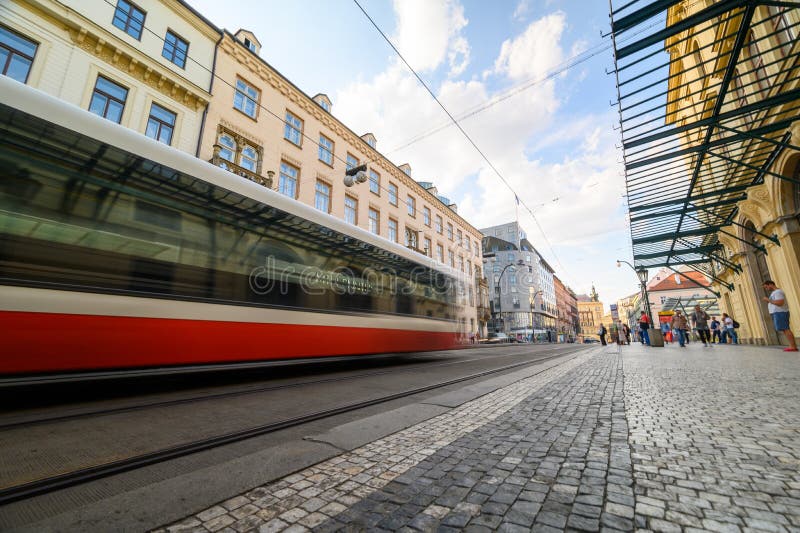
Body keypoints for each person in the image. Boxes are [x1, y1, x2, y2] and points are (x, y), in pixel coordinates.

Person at [762, 280, 798, 352]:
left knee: (786, 329)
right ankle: (792, 346)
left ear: (770, 284)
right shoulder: (775, 293)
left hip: (780, 312)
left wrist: (768, 300)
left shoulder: (778, 292)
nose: (766, 289)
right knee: (784, 329)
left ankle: (793, 346)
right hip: (778, 313)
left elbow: (780, 302)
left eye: (766, 287)